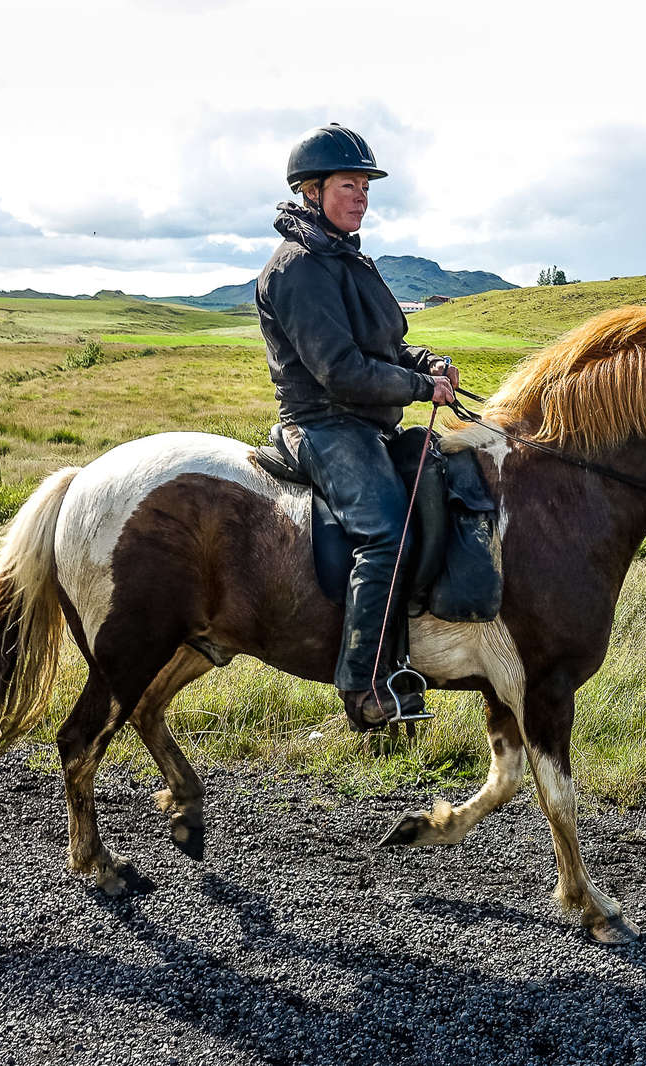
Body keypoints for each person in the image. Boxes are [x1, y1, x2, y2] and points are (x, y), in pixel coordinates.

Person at [255, 123, 459, 729]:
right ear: (312, 191)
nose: (362, 197)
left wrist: (426, 365)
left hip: (363, 423)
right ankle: (365, 685)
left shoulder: (343, 257)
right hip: (323, 424)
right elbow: (340, 371)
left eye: (366, 186)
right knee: (386, 532)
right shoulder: (298, 269)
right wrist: (421, 388)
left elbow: (382, 345)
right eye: (350, 185)